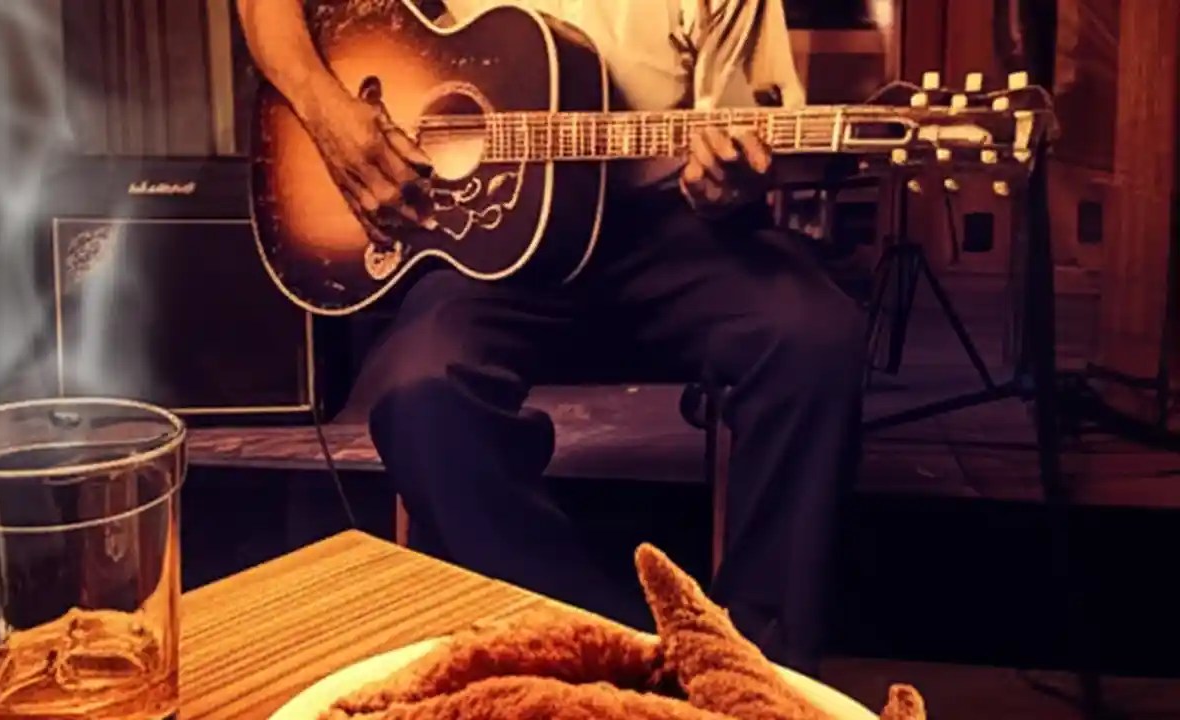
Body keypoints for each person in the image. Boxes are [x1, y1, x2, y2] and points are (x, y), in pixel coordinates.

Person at [237, 0, 864, 675]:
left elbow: (756, 136)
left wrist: (731, 183)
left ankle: (756, 674)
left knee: (815, 337)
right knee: (418, 390)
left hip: (669, 230)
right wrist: (323, 107)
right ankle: (604, 659)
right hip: (489, 243)